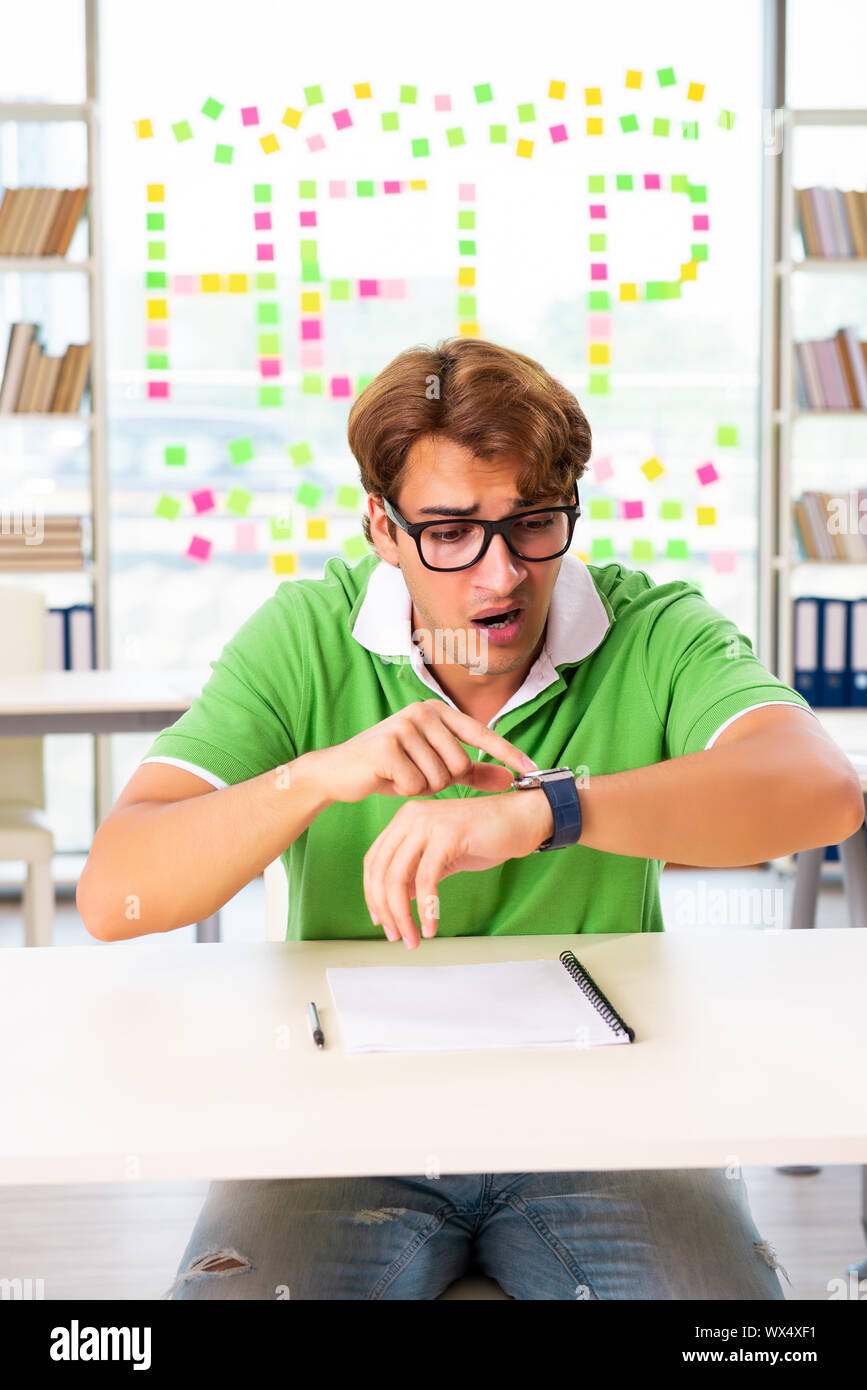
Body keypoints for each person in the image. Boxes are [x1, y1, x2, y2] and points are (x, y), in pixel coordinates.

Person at [76, 337, 864, 1300]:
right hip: (345, 1128)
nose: (499, 577)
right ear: (381, 525)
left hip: (614, 1121)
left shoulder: (652, 627)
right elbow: (116, 895)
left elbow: (820, 789)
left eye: (531, 523)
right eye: (449, 531)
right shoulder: (304, 636)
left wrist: (550, 811)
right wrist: (314, 778)